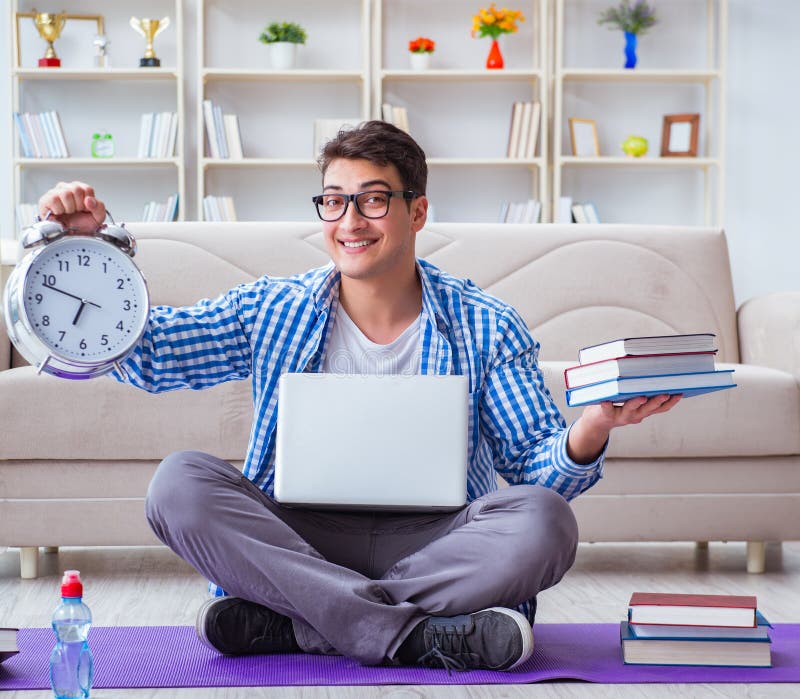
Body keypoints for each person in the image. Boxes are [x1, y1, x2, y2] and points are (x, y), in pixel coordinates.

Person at [38, 120, 680, 672]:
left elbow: (536, 467)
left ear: (416, 211)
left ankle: (297, 624)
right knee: (177, 483)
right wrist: (88, 249)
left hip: (436, 543)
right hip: (299, 538)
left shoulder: (486, 322)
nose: (350, 222)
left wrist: (589, 428)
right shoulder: (273, 308)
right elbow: (152, 355)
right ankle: (414, 635)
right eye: (334, 202)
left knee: (545, 521)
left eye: (373, 201)